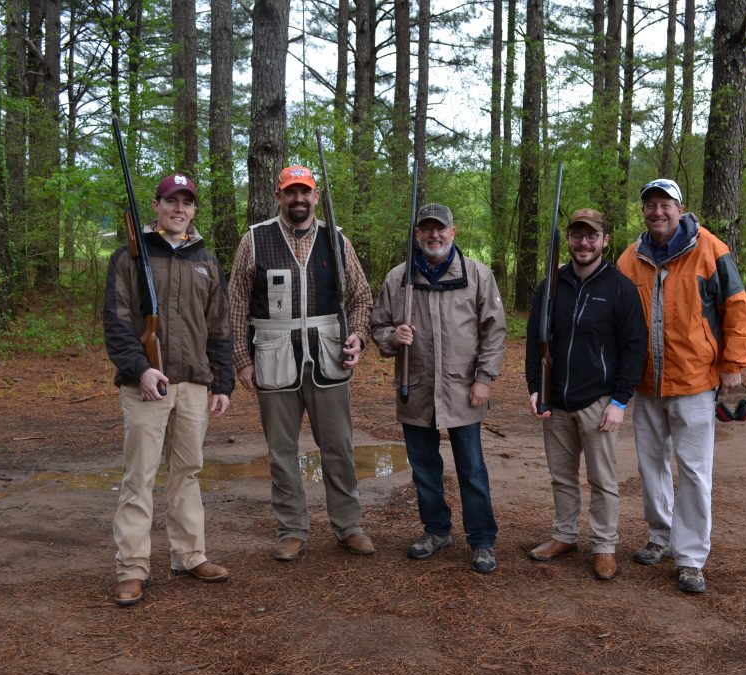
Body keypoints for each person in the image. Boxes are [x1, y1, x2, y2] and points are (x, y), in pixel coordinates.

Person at [228, 165, 375, 560]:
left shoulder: (336, 240)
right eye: (290, 192)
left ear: (315, 195)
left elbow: (362, 298)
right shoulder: (255, 240)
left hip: (328, 358)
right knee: (281, 451)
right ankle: (291, 529)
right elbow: (236, 305)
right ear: (278, 196)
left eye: (305, 192)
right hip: (273, 358)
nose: (298, 199)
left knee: (339, 447)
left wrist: (358, 336)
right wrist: (242, 360)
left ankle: (348, 526)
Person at [616, 178, 746, 594]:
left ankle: (691, 557)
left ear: (680, 208)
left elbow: (738, 307)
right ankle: (660, 537)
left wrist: (733, 361)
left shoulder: (711, 250)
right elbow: (617, 320)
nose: (657, 212)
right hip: (645, 384)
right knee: (650, 465)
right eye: (650, 205)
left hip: (695, 381)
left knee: (694, 473)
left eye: (665, 205)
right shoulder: (630, 258)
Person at [104, 173, 234, 606]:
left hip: (194, 384)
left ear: (194, 210)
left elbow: (219, 327)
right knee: (139, 477)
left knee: (188, 473)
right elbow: (117, 322)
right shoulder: (129, 257)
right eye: (171, 201)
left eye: (187, 202)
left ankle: (190, 554)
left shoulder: (207, 260)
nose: (179, 209)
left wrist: (222, 381)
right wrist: (139, 368)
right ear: (156, 206)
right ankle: (132, 568)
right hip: (147, 385)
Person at [370, 203, 506, 574]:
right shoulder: (399, 279)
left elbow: (493, 332)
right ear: (417, 234)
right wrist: (392, 337)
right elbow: (377, 327)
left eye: (440, 229)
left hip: (464, 390)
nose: (434, 235)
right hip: (414, 389)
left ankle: (481, 540)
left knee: (472, 469)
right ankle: (436, 531)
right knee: (424, 468)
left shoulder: (478, 276)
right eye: (426, 229)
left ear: (453, 232)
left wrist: (484, 378)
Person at [524, 208, 646, 581]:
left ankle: (604, 546)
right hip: (556, 400)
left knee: (603, 480)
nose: (584, 242)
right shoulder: (551, 285)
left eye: (592, 236)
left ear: (605, 241)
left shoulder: (620, 287)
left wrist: (620, 401)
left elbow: (634, 347)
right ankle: (564, 535)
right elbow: (534, 341)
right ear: (570, 239)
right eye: (577, 235)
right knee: (561, 477)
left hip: (599, 401)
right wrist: (534, 387)